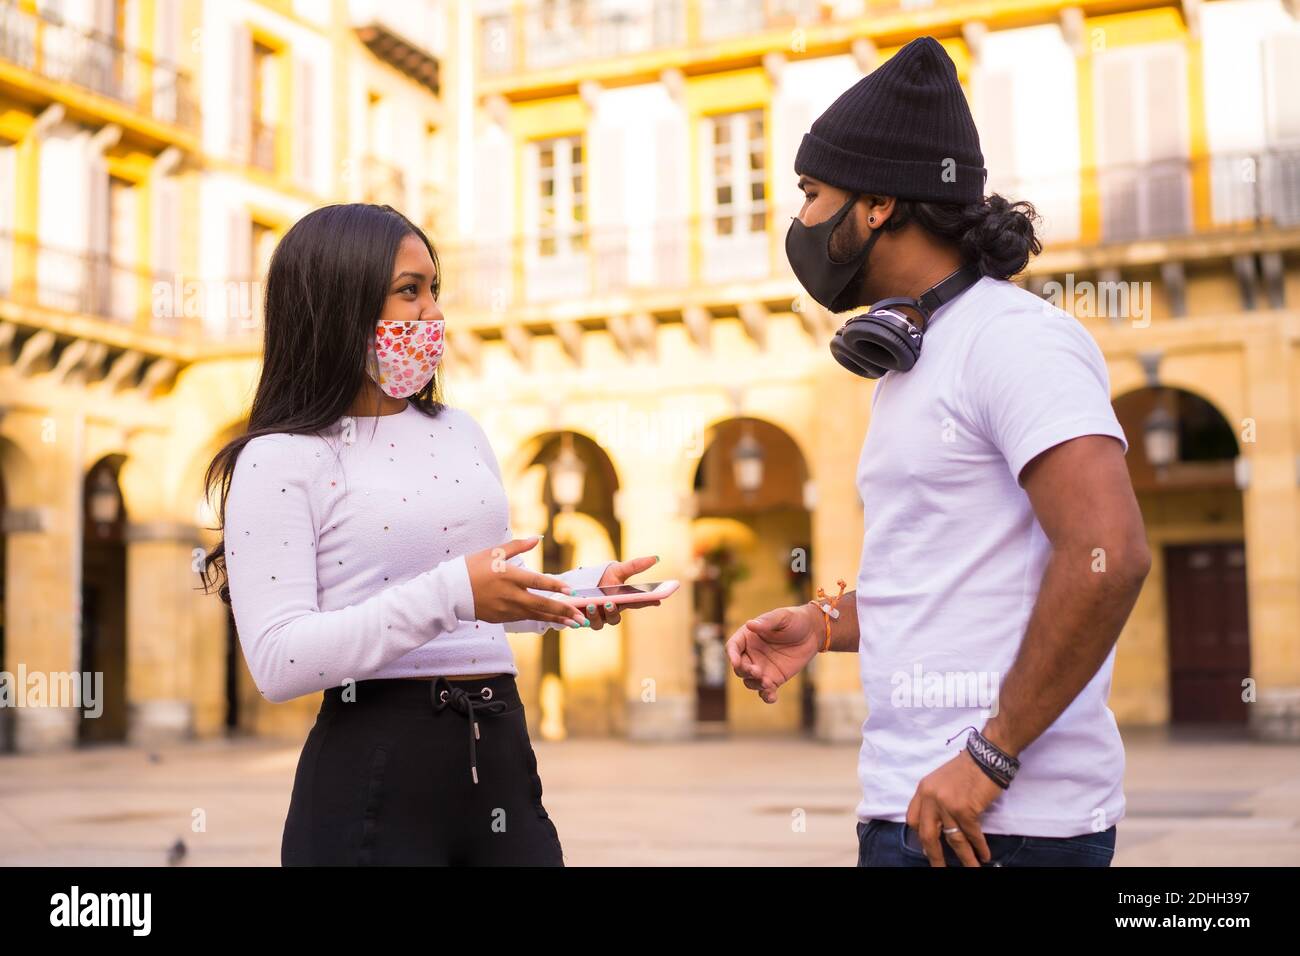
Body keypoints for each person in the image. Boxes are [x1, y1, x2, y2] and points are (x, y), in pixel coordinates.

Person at [726, 37, 1150, 867]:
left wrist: (990, 756)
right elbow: (950, 583)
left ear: (879, 203)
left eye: (812, 194)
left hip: (1004, 826)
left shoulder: (1015, 340)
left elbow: (1110, 553)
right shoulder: (914, 357)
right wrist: (824, 625)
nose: (800, 221)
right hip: (910, 806)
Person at [201, 203, 659, 865]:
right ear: (339, 302)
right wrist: (454, 594)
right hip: (375, 773)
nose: (434, 314)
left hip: (499, 754)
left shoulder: (460, 430)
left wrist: (579, 594)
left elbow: (483, 598)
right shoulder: (280, 458)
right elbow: (278, 662)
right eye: (409, 292)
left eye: (434, 290)